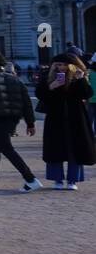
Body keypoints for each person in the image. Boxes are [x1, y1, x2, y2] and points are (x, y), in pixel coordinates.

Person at [0, 52, 43, 191]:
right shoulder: (15, 79)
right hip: (13, 118)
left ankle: (31, 179)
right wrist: (30, 123)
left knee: (6, 149)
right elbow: (26, 102)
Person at [36, 53, 96, 189]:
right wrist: (52, 86)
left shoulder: (78, 77)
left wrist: (81, 80)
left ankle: (72, 180)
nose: (61, 68)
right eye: (58, 65)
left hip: (76, 118)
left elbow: (88, 94)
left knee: (75, 149)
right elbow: (40, 94)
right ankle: (57, 179)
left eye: (64, 65)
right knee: (55, 149)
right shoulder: (48, 77)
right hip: (55, 118)